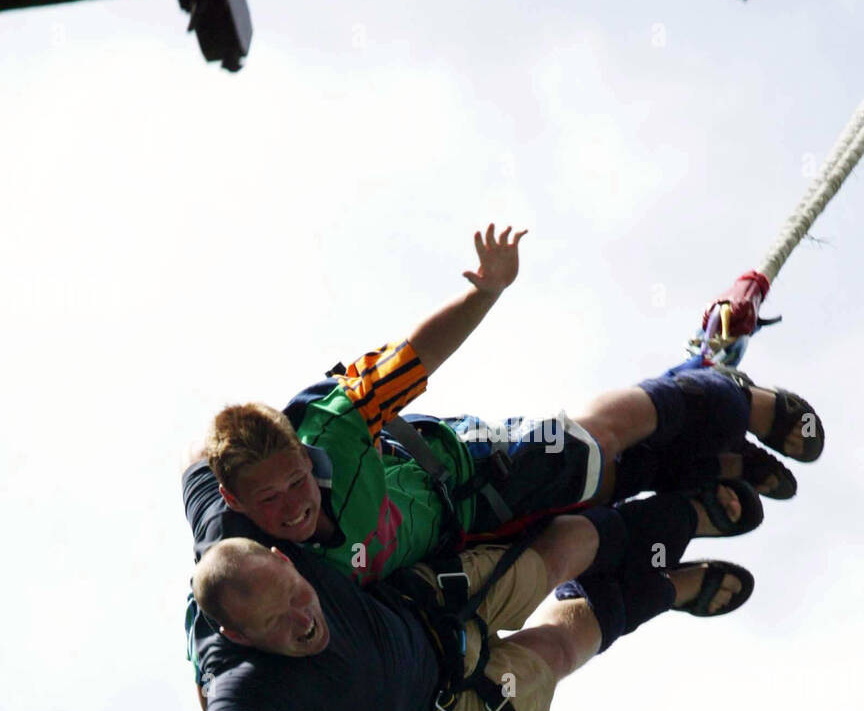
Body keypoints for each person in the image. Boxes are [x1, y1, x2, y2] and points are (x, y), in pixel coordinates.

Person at [185, 223, 823, 588]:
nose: (294, 504)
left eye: (296, 480)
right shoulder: (256, 568)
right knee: (589, 510)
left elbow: (418, 355)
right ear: (238, 502)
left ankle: (714, 382)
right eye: (270, 500)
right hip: (454, 543)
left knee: (584, 448)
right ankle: (702, 460)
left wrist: (486, 294)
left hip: (459, 469)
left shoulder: (333, 427)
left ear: (303, 452)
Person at [178, 478, 761, 711]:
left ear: (282, 558)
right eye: (277, 624)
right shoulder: (240, 683)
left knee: (561, 548)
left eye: (296, 592)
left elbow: (200, 459)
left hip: (430, 605)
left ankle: (681, 517)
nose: (303, 618)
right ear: (240, 636)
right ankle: (668, 586)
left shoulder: (231, 536)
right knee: (559, 650)